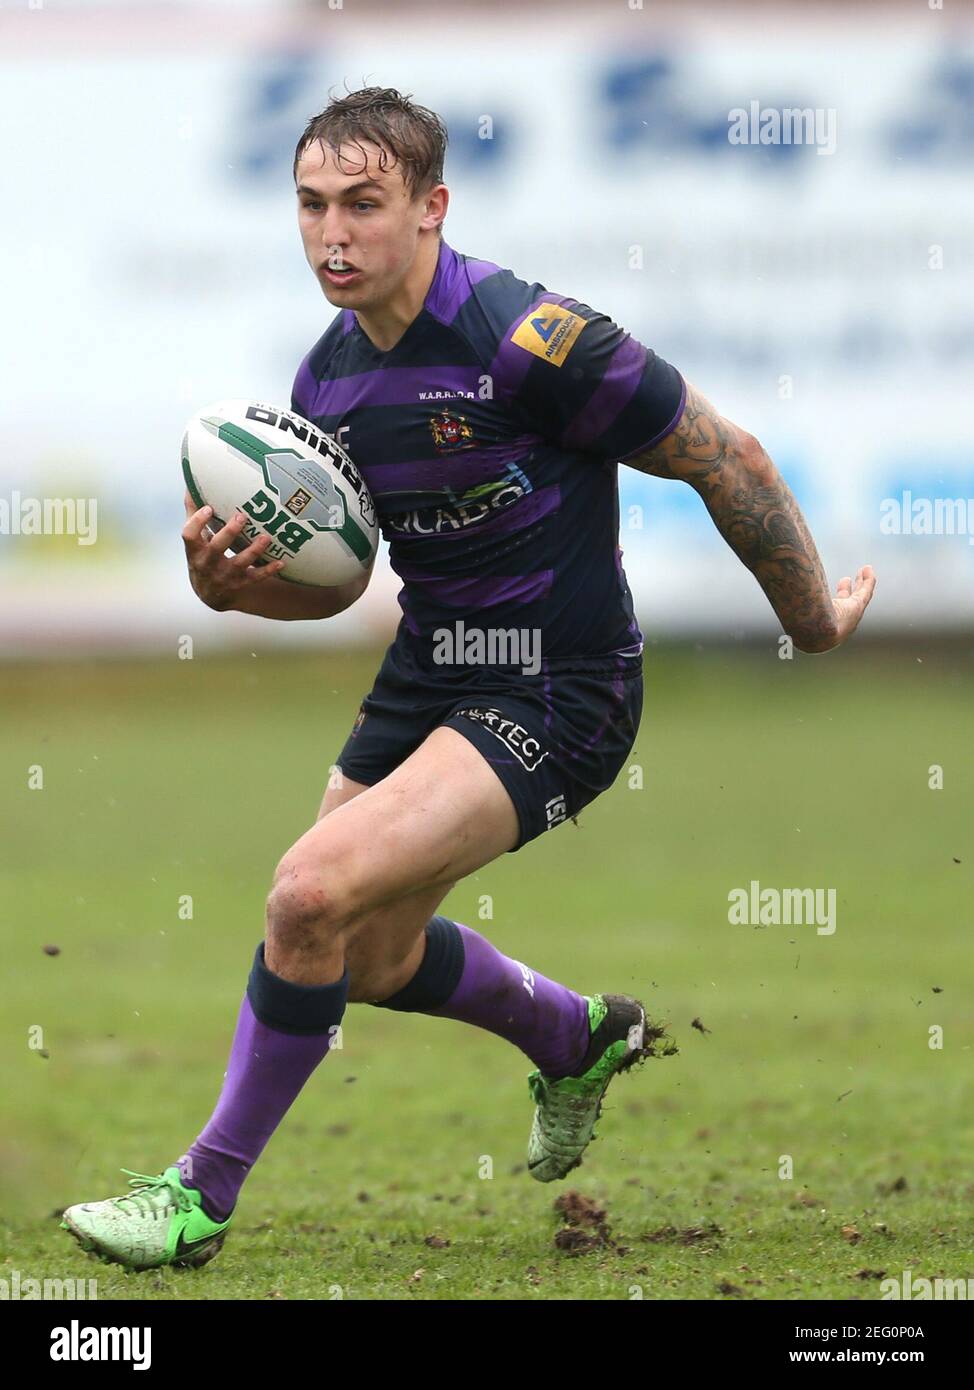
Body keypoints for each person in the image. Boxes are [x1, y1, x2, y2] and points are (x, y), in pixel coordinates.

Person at [62, 87, 876, 1271]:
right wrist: (225, 590)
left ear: (431, 207)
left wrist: (811, 623)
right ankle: (575, 1034)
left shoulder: (533, 342)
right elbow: (342, 584)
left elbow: (726, 455)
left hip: (559, 683)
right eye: (309, 205)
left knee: (304, 897)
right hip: (427, 670)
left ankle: (198, 1197)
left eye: (363, 204)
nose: (331, 234)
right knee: (370, 952)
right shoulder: (326, 384)